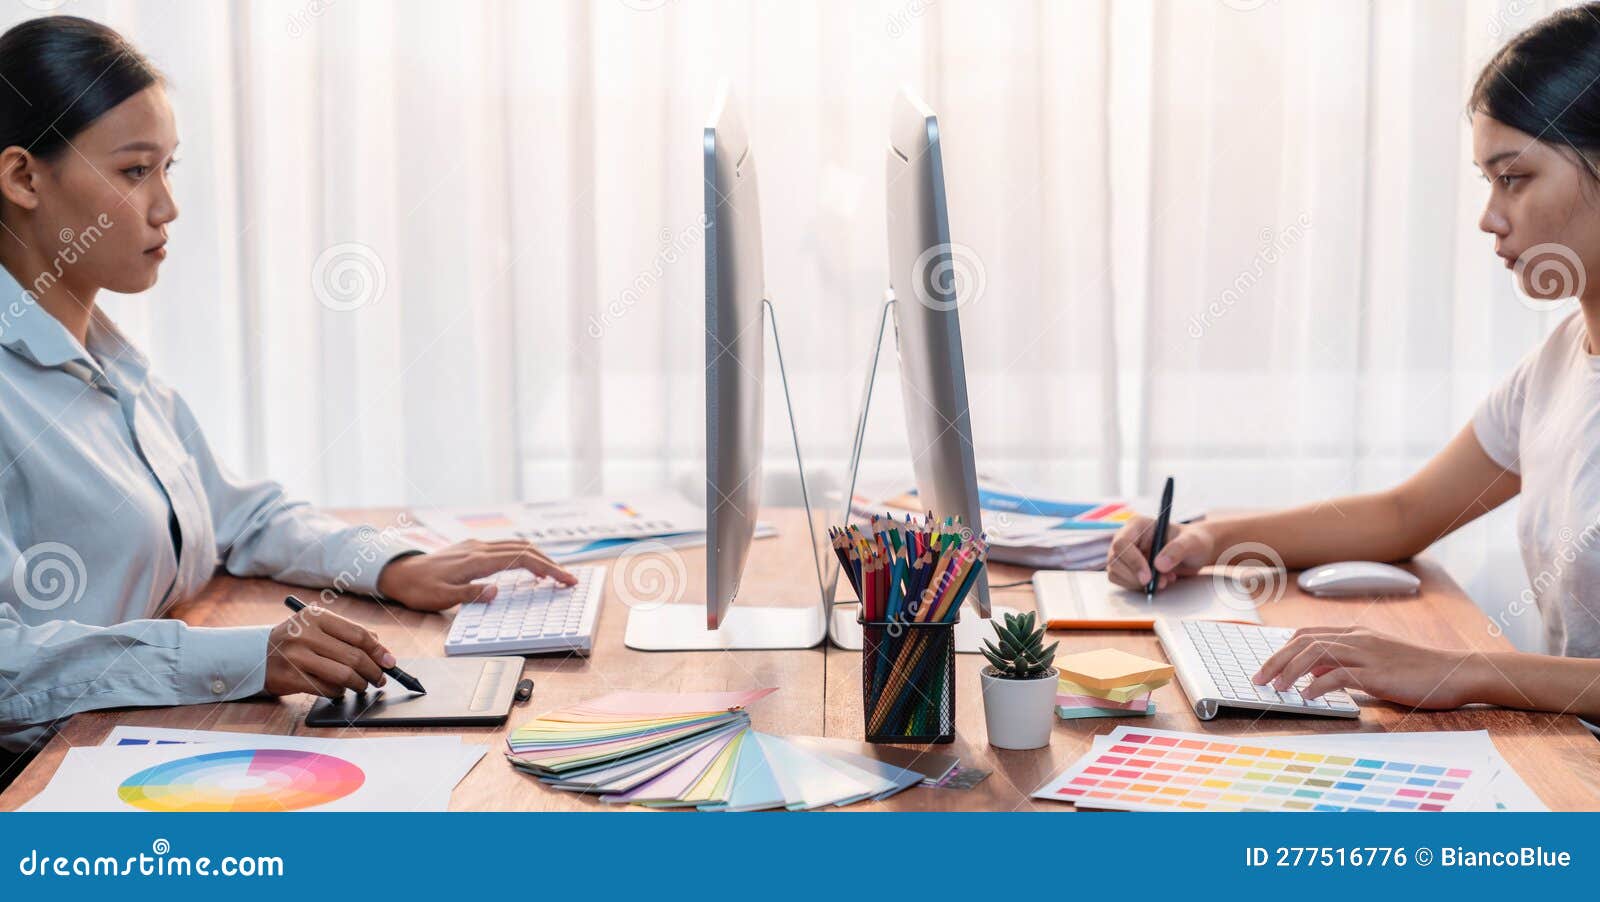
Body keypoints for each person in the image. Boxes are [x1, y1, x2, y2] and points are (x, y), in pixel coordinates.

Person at [0, 17, 575, 773]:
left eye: (169, 168)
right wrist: (249, 657)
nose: (166, 207)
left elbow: (239, 515)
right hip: (44, 775)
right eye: (135, 171)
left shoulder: (105, 353)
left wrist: (395, 564)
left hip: (139, 730)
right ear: (23, 179)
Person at [1108, 3, 1600, 723]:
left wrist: (1466, 672)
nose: (1489, 217)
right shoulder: (1558, 362)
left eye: (1514, 178)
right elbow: (1404, 514)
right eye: (1485, 182)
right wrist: (1207, 540)